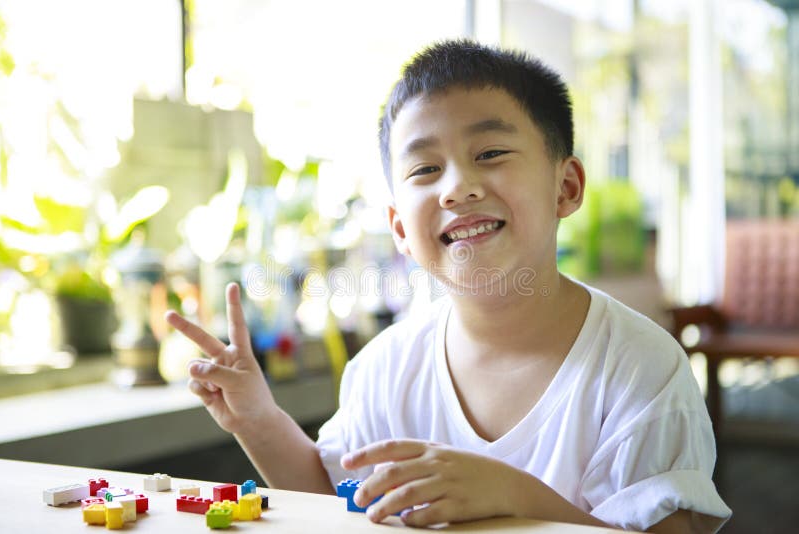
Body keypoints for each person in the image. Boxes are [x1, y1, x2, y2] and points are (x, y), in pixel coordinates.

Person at [165, 39, 731, 532]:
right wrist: (257, 420)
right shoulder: (384, 369)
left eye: (490, 154)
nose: (457, 188)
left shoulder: (641, 370)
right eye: (425, 170)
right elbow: (333, 498)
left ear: (566, 187)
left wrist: (514, 497)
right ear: (400, 231)